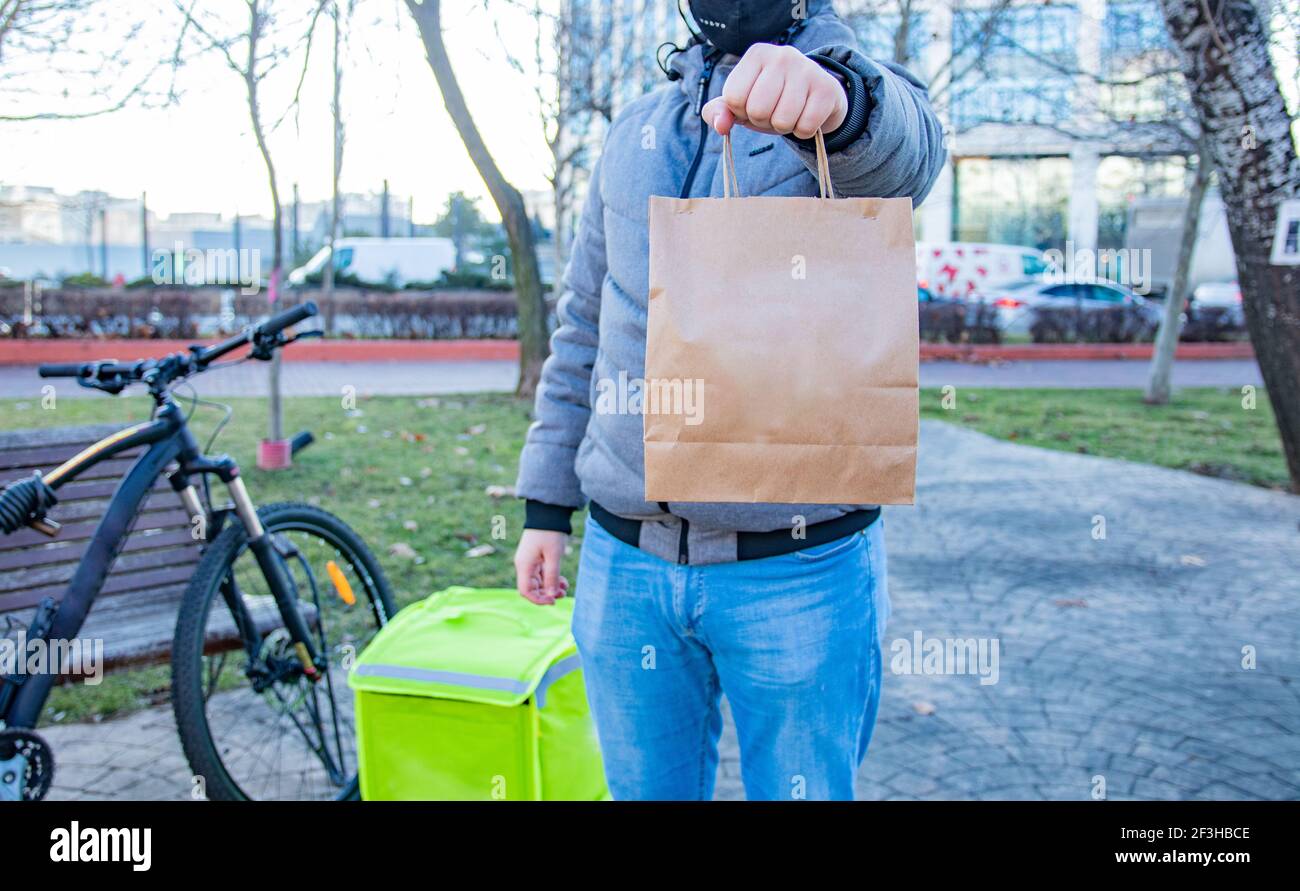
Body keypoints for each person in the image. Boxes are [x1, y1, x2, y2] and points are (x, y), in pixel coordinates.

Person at [513, 0, 945, 800]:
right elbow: (582, 323)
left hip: (800, 567)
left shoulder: (852, 93)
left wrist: (841, 103)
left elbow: (904, 153)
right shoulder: (635, 129)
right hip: (625, 564)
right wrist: (545, 505)